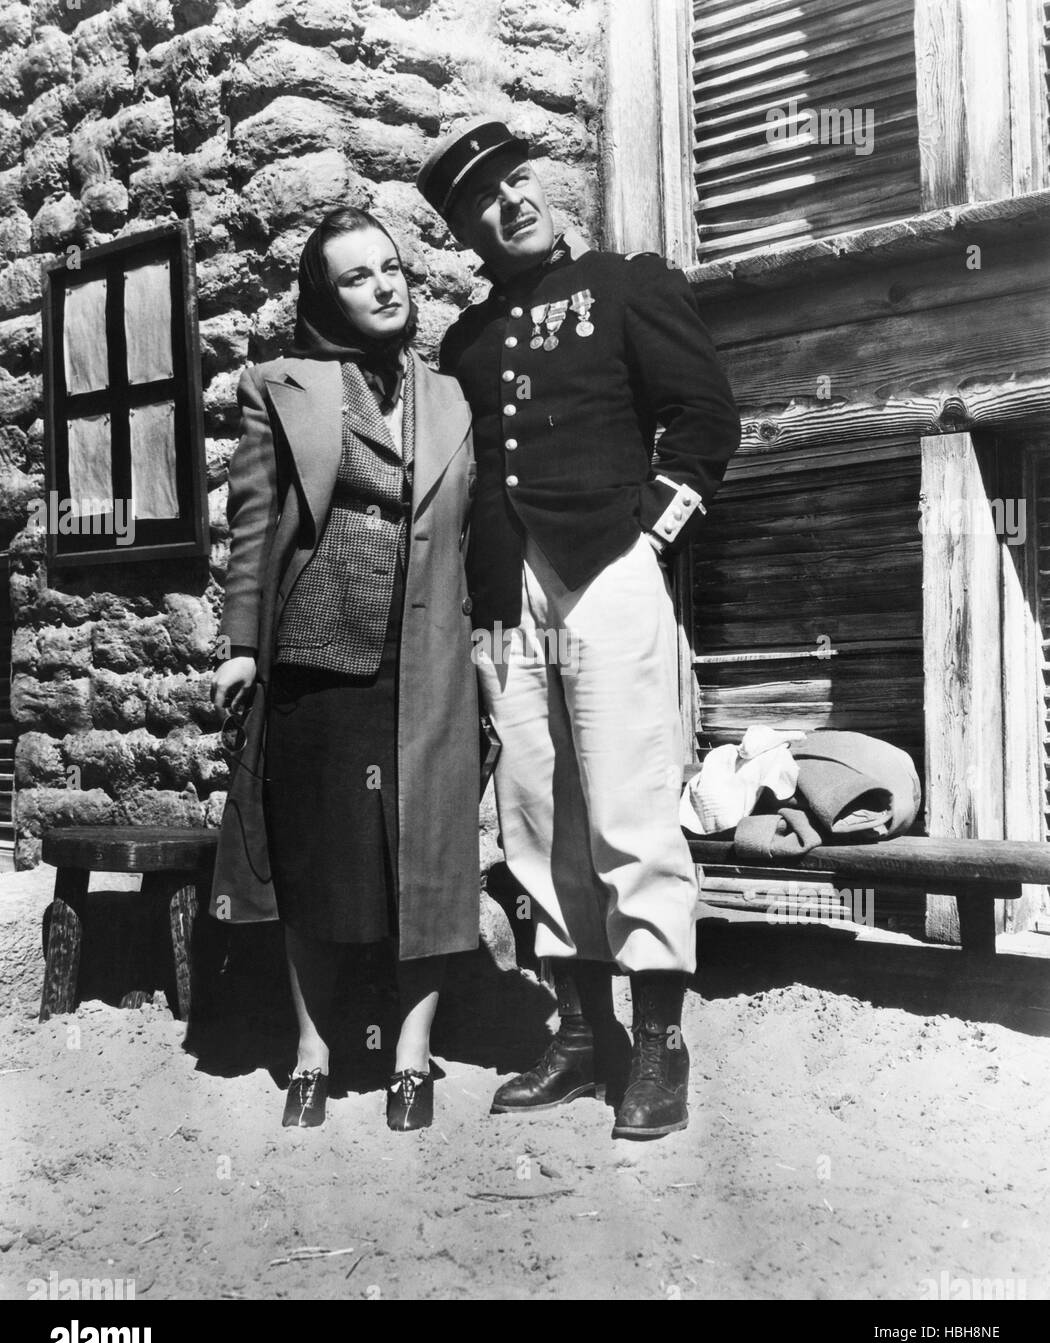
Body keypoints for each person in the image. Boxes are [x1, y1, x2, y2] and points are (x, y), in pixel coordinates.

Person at [417, 120, 741, 1141]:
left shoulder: (625, 285)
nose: (513, 203)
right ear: (467, 233)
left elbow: (705, 418)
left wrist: (652, 533)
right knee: (533, 811)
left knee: (631, 799)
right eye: (486, 202)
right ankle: (574, 1029)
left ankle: (656, 1040)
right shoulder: (462, 346)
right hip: (508, 588)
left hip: (609, 568)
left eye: (519, 182)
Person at [209, 207, 480, 1132]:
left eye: (392, 267)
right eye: (358, 277)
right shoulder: (279, 385)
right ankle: (314, 1053)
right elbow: (252, 526)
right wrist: (242, 646)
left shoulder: (451, 397)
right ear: (326, 297)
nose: (385, 285)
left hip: (431, 652)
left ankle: (411, 1060)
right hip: (317, 656)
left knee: (429, 853)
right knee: (318, 856)